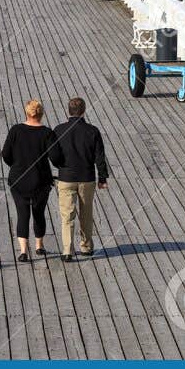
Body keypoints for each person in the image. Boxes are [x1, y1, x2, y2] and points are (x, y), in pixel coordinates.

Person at [48, 97, 108, 262]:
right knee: (86, 213)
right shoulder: (93, 131)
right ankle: (86, 246)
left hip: (66, 178)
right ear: (83, 111)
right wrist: (102, 177)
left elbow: (53, 154)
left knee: (67, 215)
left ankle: (67, 250)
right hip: (87, 178)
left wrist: (61, 165)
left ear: (68, 111)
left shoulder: (59, 130)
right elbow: (100, 157)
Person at [0, 99, 55, 262]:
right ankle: (39, 246)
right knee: (39, 213)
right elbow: (55, 157)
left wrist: (15, 165)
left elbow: (5, 154)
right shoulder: (47, 133)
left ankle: (23, 251)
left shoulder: (16, 130)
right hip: (41, 180)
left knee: (22, 214)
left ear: (27, 113)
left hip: (19, 179)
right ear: (41, 114)